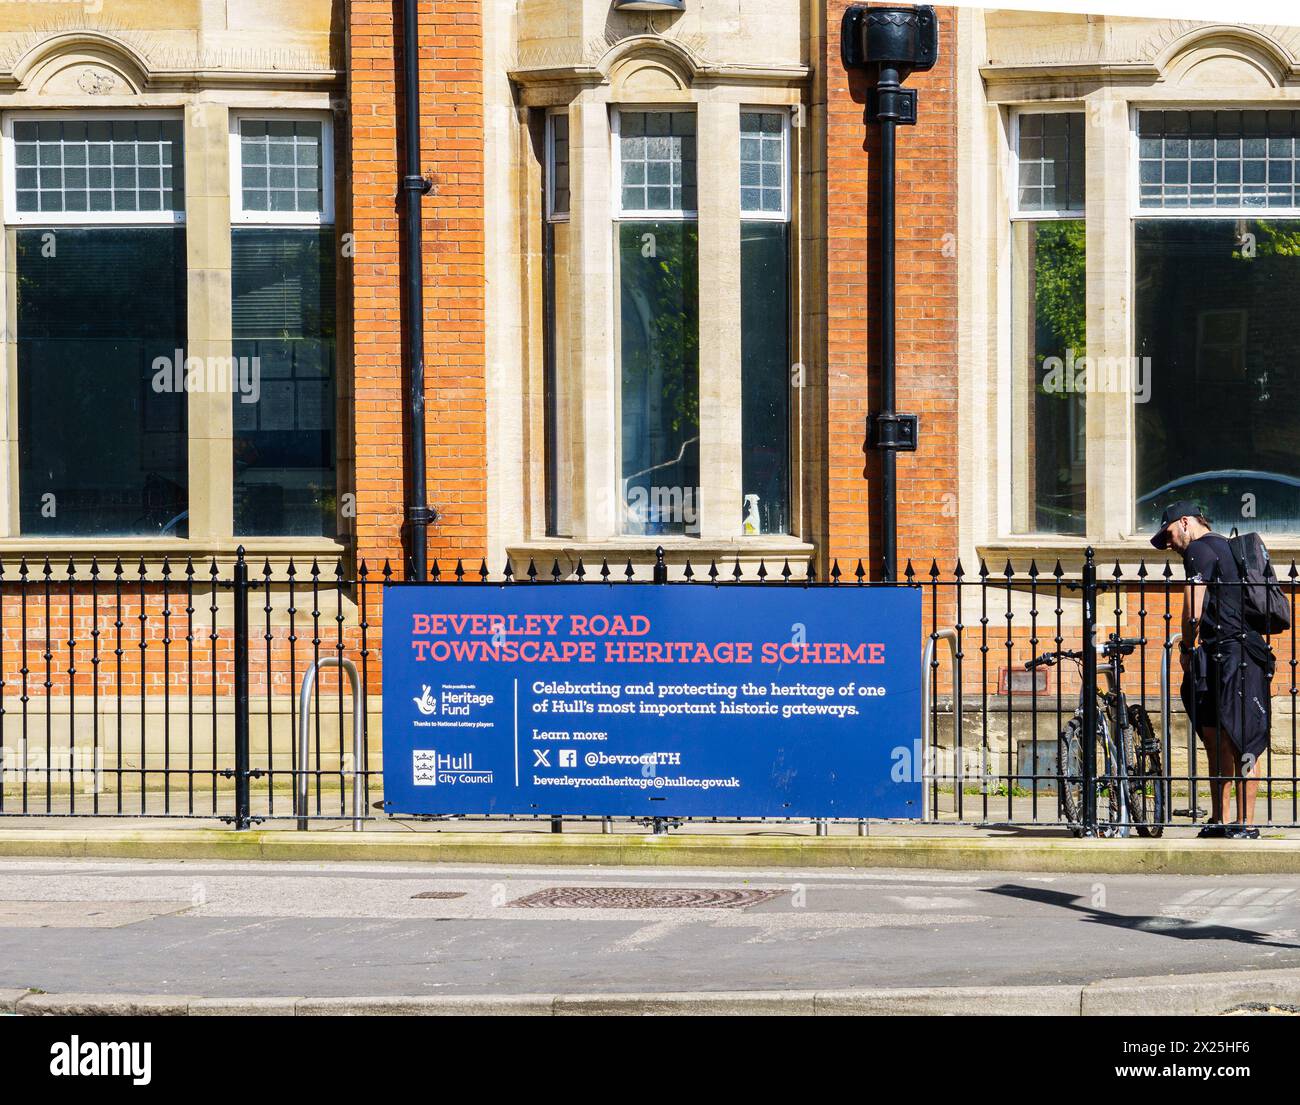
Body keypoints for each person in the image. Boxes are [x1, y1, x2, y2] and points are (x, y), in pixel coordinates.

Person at [1151, 501, 1274, 840]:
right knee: (1216, 738)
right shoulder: (1222, 548)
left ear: (1186, 522)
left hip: (1233, 655)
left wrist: (1187, 647)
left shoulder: (1200, 550)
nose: (1170, 543)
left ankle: (1245, 823)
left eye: (1170, 534)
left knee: (1242, 740)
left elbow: (1192, 607)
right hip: (1228, 653)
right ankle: (1222, 819)